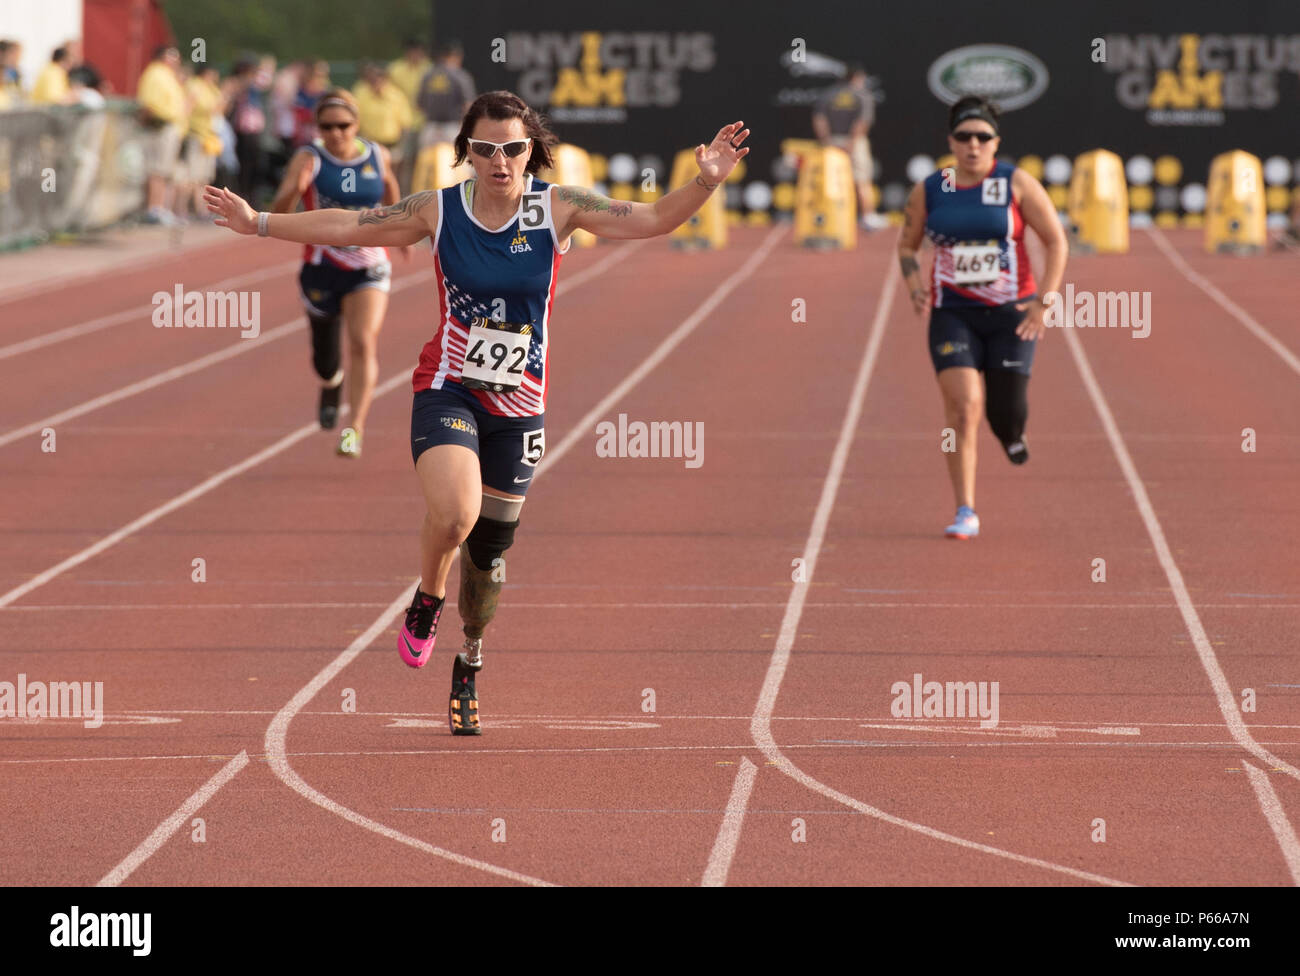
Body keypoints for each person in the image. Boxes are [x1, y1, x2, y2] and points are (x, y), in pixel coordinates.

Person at [204, 90, 749, 734]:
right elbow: (353, 224)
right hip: (449, 388)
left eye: (512, 148)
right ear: (467, 153)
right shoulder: (438, 210)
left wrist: (704, 184)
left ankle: (471, 654)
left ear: (531, 152)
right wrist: (259, 221)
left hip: (519, 404)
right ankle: (429, 591)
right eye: (485, 149)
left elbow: (654, 218)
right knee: (456, 514)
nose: (499, 161)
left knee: (489, 556)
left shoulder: (561, 208)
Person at [896, 95, 1066, 539]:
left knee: (1005, 411)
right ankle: (965, 509)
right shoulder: (933, 189)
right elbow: (906, 245)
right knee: (963, 408)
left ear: (996, 141)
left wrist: (1044, 302)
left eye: (982, 137)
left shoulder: (1017, 184)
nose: (973, 145)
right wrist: (916, 287)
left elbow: (1056, 241)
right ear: (951, 141)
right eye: (964, 137)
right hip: (954, 315)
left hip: (1012, 314)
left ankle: (1012, 434)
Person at [264, 89, 403, 457]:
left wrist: (404, 230)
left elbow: (390, 188)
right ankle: (332, 382)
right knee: (325, 360)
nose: (336, 133)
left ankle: (354, 427)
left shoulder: (376, 154)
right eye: (327, 126)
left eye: (343, 126)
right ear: (317, 128)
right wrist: (296, 187)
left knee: (362, 341)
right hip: (322, 267)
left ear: (357, 125)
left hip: (369, 264)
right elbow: (281, 208)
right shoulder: (309, 158)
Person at [813, 63, 883, 229]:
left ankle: (828, 217)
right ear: (856, 78)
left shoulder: (828, 94)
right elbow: (862, 121)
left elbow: (819, 120)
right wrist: (852, 141)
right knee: (862, 179)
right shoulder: (863, 95)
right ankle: (868, 216)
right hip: (854, 142)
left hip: (832, 141)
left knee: (829, 181)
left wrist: (827, 141)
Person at [136, 45, 186, 225]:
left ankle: (161, 207)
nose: (176, 61)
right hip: (161, 126)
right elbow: (149, 104)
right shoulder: (155, 74)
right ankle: (154, 208)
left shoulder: (167, 75)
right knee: (157, 169)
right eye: (172, 56)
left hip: (171, 127)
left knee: (164, 170)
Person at [176, 65, 224, 220]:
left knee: (203, 177)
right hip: (195, 135)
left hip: (208, 137)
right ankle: (182, 209)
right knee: (191, 176)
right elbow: (189, 108)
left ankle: (201, 210)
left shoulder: (210, 89)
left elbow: (219, 109)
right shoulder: (195, 86)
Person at [352, 63, 411, 188]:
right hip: (368, 143)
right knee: (368, 177)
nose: (376, 82)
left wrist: (402, 145)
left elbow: (405, 123)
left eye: (379, 78)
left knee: (392, 177)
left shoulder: (396, 96)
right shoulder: (360, 93)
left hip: (391, 144)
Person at [417, 40, 475, 149]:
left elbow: (419, 105)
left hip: (430, 127)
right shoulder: (460, 75)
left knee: (427, 163)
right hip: (452, 127)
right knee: (459, 162)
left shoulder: (428, 75)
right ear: (457, 56)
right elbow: (468, 104)